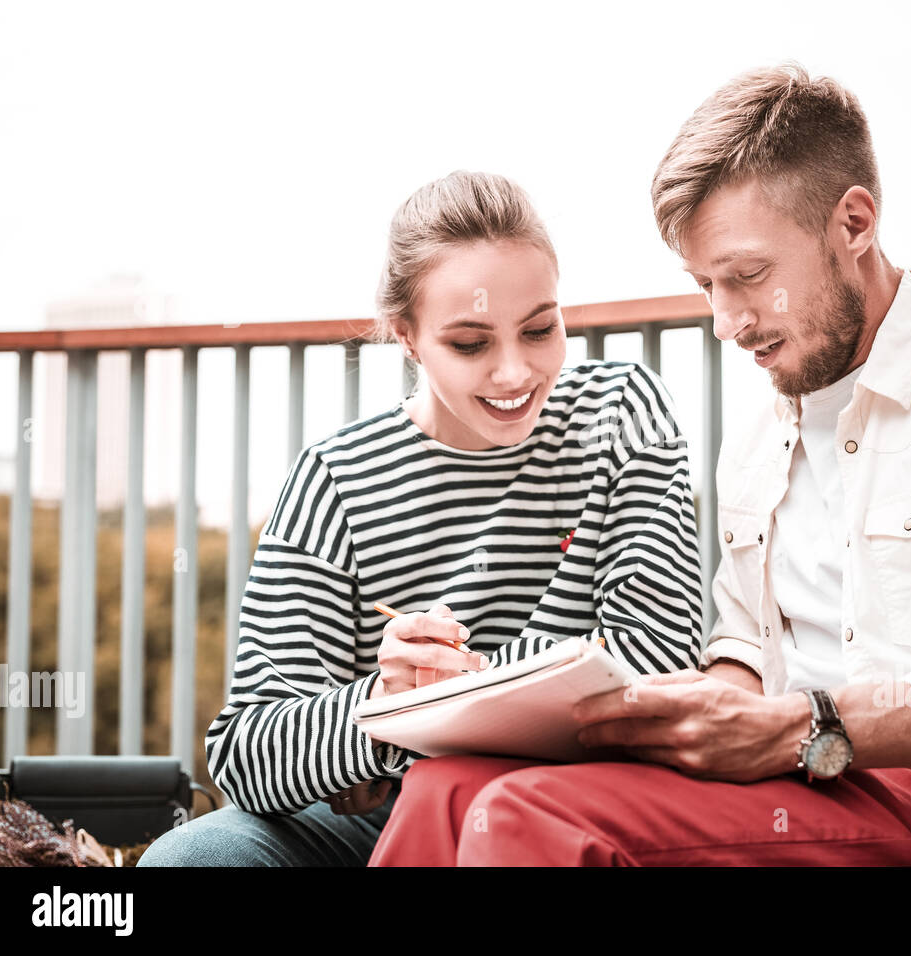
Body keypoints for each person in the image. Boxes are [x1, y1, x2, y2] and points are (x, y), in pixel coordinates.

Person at [367, 64, 911, 867]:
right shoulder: (759, 437)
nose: (727, 323)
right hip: (797, 789)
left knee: (524, 816)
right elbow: (742, 649)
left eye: (748, 278)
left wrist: (810, 722)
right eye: (706, 287)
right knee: (449, 784)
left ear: (854, 223)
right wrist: (694, 707)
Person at [138, 171, 704, 866]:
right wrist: (378, 704)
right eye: (470, 343)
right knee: (197, 860)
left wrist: (440, 702)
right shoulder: (335, 479)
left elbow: (658, 659)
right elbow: (249, 753)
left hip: (579, 800)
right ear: (407, 337)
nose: (514, 373)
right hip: (389, 823)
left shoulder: (622, 414)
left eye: (539, 329)